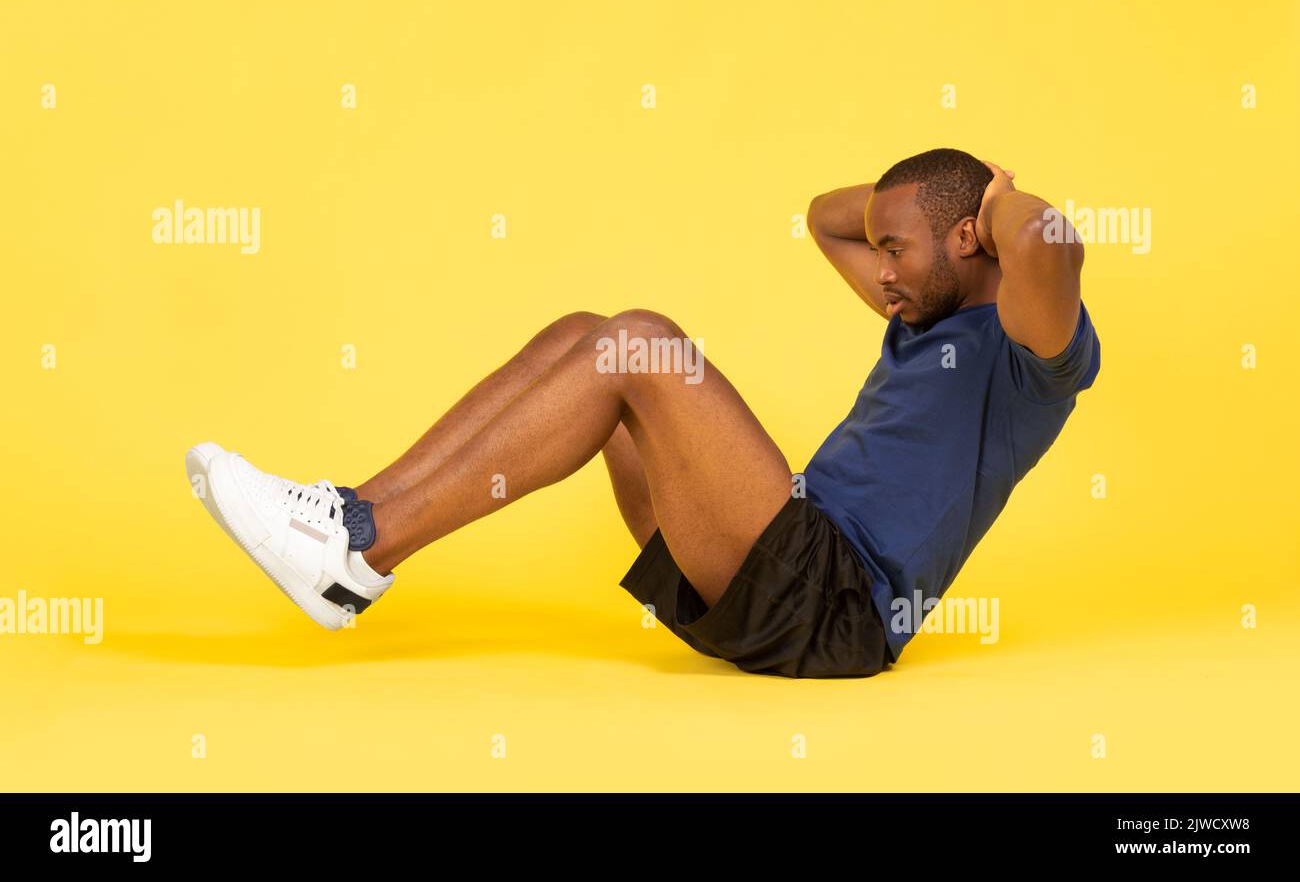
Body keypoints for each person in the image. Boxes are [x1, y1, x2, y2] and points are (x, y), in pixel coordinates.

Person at [185, 148, 1100, 679]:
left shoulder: (1029, 354)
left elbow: (1050, 243)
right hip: (761, 561)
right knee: (591, 333)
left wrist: (995, 195)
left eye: (896, 248)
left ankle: (361, 550)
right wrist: (922, 204)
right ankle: (351, 526)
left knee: (639, 342)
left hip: (835, 606)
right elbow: (825, 217)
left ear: (970, 241)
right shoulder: (922, 308)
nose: (881, 269)